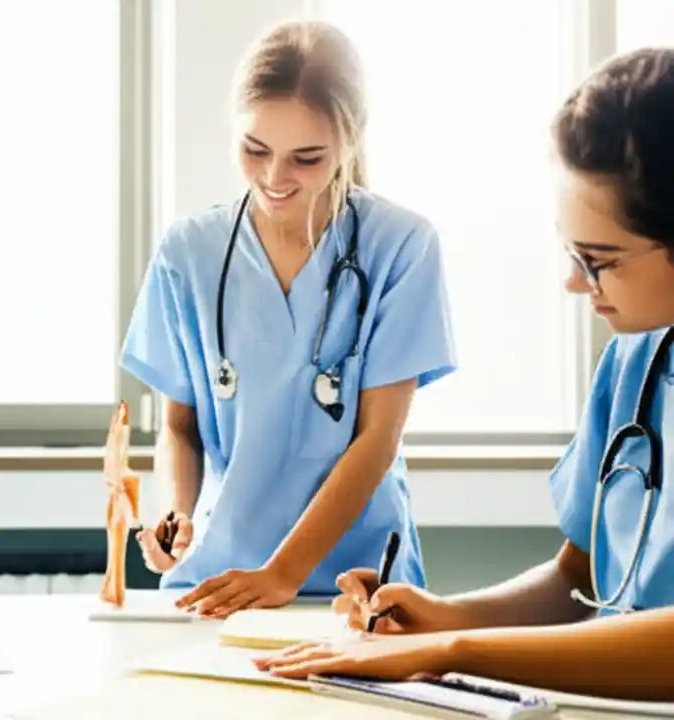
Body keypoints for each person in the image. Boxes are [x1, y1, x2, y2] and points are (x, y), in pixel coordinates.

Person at [258, 47, 674, 701]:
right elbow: (582, 580)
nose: (574, 282)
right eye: (570, 250)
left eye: (599, 259)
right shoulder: (633, 357)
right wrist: (448, 615)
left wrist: (455, 649)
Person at [122, 20, 456, 616]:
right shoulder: (189, 252)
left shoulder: (401, 246)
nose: (275, 179)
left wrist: (283, 573)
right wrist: (176, 512)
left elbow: (377, 439)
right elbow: (180, 426)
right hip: (218, 581)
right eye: (255, 151)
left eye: (307, 158)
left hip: (352, 584)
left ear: (350, 142)